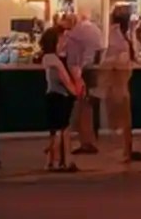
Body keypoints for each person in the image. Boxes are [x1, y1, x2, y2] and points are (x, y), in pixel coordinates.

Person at [100, 5, 141, 163]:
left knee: (122, 120)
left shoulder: (115, 39)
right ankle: (127, 150)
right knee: (125, 120)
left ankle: (126, 151)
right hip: (122, 83)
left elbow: (110, 61)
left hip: (118, 84)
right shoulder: (122, 38)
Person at [61, 12, 104, 156]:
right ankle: (92, 138)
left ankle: (86, 142)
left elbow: (72, 60)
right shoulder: (95, 29)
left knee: (83, 107)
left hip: (83, 72)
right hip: (94, 70)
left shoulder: (74, 35)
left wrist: (76, 77)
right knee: (91, 105)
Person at [42, 26, 81, 172]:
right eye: (61, 39)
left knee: (54, 131)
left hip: (50, 95)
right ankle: (60, 161)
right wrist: (76, 91)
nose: (64, 41)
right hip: (60, 97)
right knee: (62, 129)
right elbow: (65, 80)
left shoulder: (47, 58)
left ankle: (51, 161)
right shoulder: (55, 61)